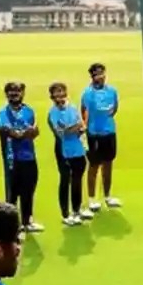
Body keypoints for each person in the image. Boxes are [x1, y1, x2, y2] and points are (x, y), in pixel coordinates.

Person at [0, 81, 42, 232]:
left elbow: (35, 131)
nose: (15, 94)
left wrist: (29, 133)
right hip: (12, 159)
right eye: (11, 91)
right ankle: (12, 225)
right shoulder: (2, 113)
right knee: (12, 194)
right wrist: (25, 133)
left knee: (28, 190)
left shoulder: (29, 111)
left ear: (23, 93)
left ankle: (27, 221)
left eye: (18, 91)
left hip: (29, 156)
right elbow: (11, 133)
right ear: (6, 94)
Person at [80, 63, 120, 215]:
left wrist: (107, 120)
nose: (100, 76)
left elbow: (114, 107)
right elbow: (83, 110)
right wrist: (86, 125)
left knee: (108, 164)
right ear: (92, 76)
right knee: (94, 166)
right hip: (94, 134)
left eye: (102, 73)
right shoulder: (88, 93)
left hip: (109, 132)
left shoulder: (112, 91)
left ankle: (108, 196)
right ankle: (91, 199)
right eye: (96, 74)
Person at [48, 82, 89, 226]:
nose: (59, 95)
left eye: (61, 91)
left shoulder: (72, 108)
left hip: (77, 148)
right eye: (56, 92)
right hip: (63, 150)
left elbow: (81, 126)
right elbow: (62, 132)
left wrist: (79, 128)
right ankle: (65, 214)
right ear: (52, 96)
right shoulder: (53, 113)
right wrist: (76, 127)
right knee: (65, 180)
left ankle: (77, 210)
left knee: (78, 179)